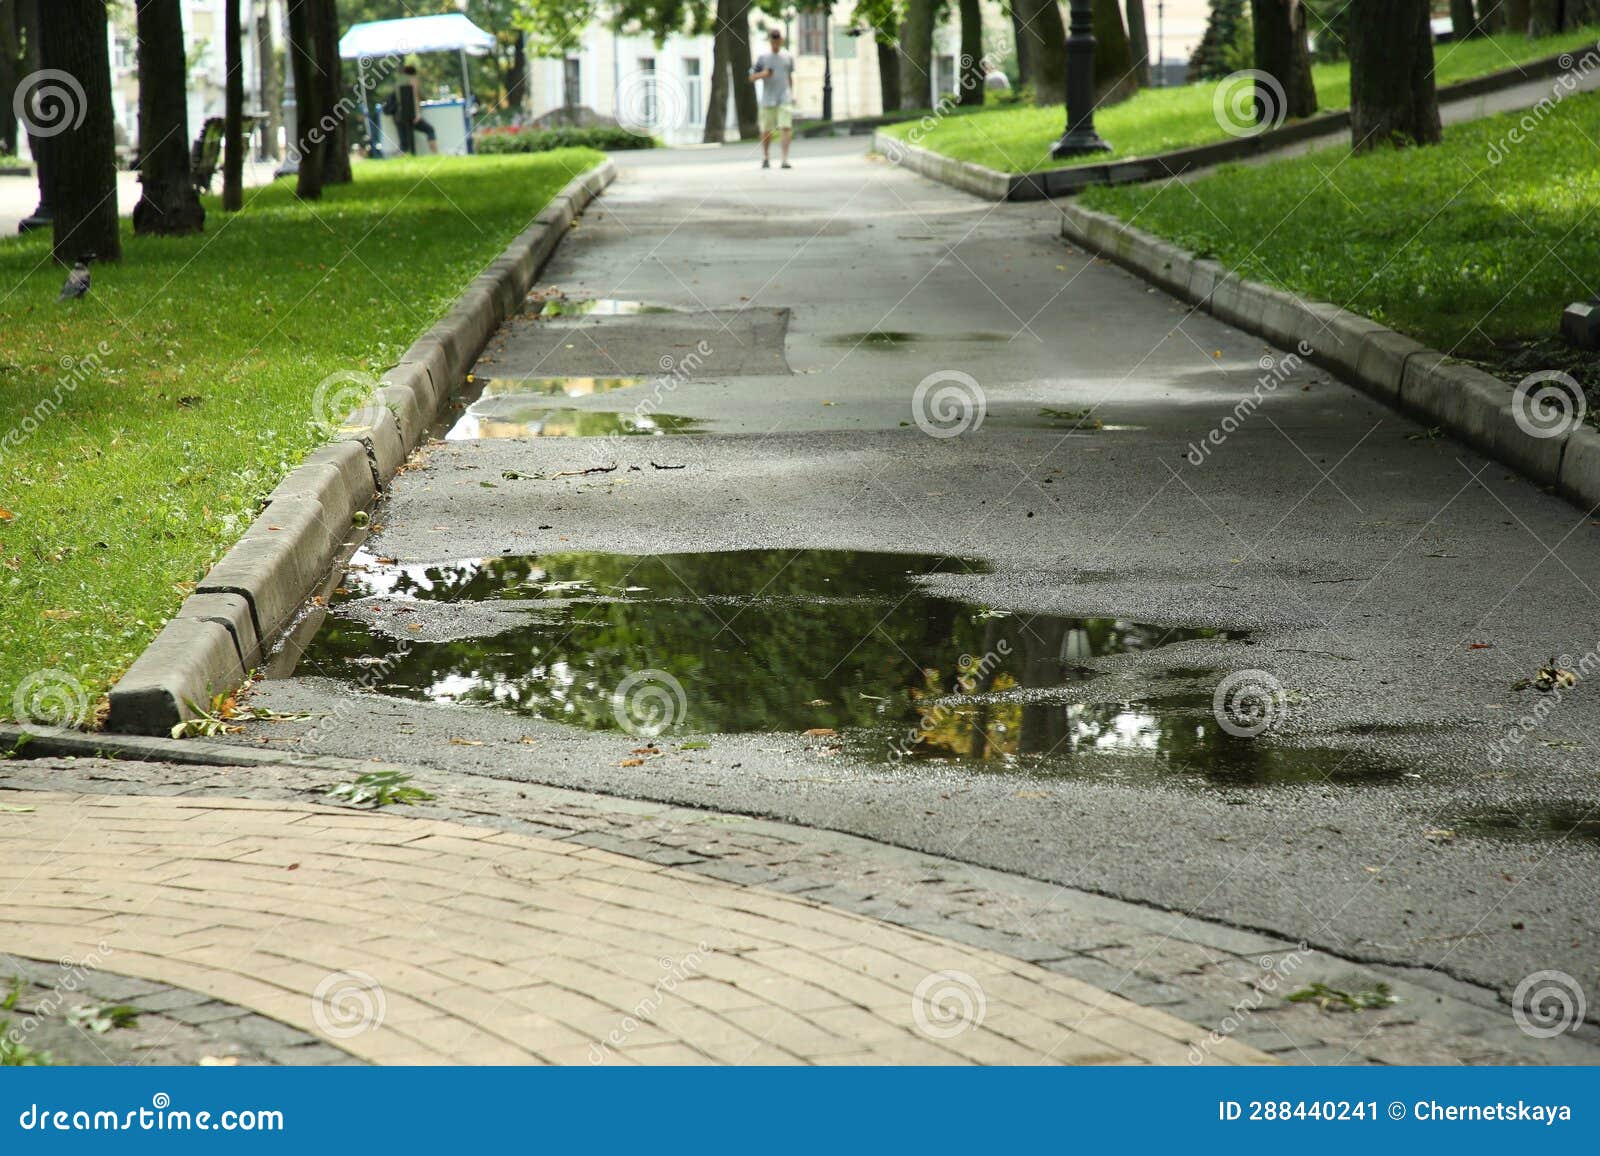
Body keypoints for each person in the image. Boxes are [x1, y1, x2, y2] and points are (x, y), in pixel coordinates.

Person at [749, 29, 795, 170]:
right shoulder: (763, 58)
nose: (775, 43)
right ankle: (766, 156)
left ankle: (784, 159)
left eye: (777, 40)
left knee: (785, 127)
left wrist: (791, 93)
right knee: (766, 130)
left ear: (781, 40)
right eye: (773, 40)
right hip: (768, 99)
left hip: (784, 97)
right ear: (770, 41)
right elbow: (751, 77)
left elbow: (789, 76)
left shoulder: (788, 57)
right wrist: (764, 74)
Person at [395, 62, 437, 155]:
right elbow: (415, 96)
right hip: (411, 112)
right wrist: (417, 113)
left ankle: (398, 161)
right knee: (430, 130)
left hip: (399, 113)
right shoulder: (413, 79)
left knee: (404, 144)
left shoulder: (399, 81)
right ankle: (435, 154)